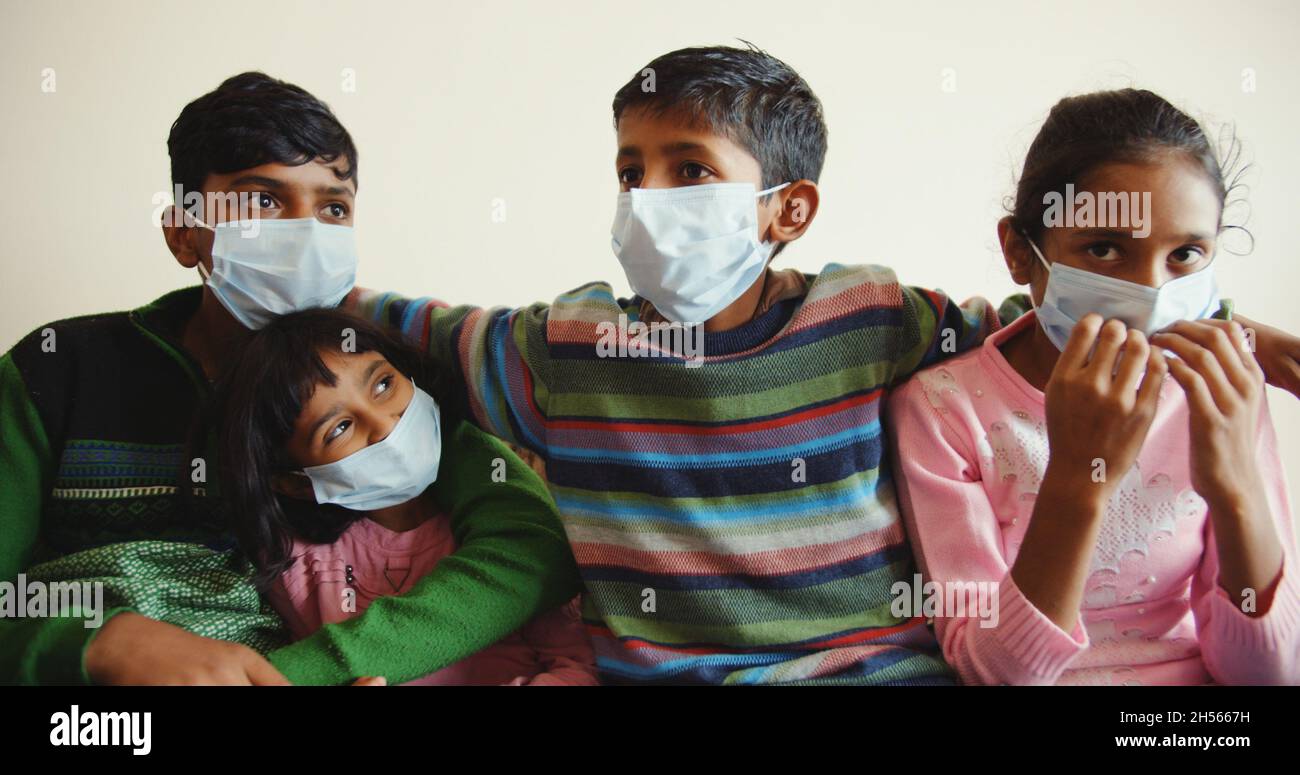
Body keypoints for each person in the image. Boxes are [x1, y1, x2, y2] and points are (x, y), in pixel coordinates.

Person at [0, 72, 580, 685]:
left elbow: (532, 547)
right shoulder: (57, 367)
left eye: (333, 206)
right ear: (183, 233)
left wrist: (297, 677)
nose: (306, 234)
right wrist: (99, 645)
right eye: (263, 201)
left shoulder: (374, 372)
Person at [887, 88, 1299, 685]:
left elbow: (1270, 676)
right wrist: (1080, 477)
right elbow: (993, 672)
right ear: (1020, 253)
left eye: (1184, 254)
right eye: (1104, 249)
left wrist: (1237, 489)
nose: (1151, 292)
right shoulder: (943, 413)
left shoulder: (1222, 391)